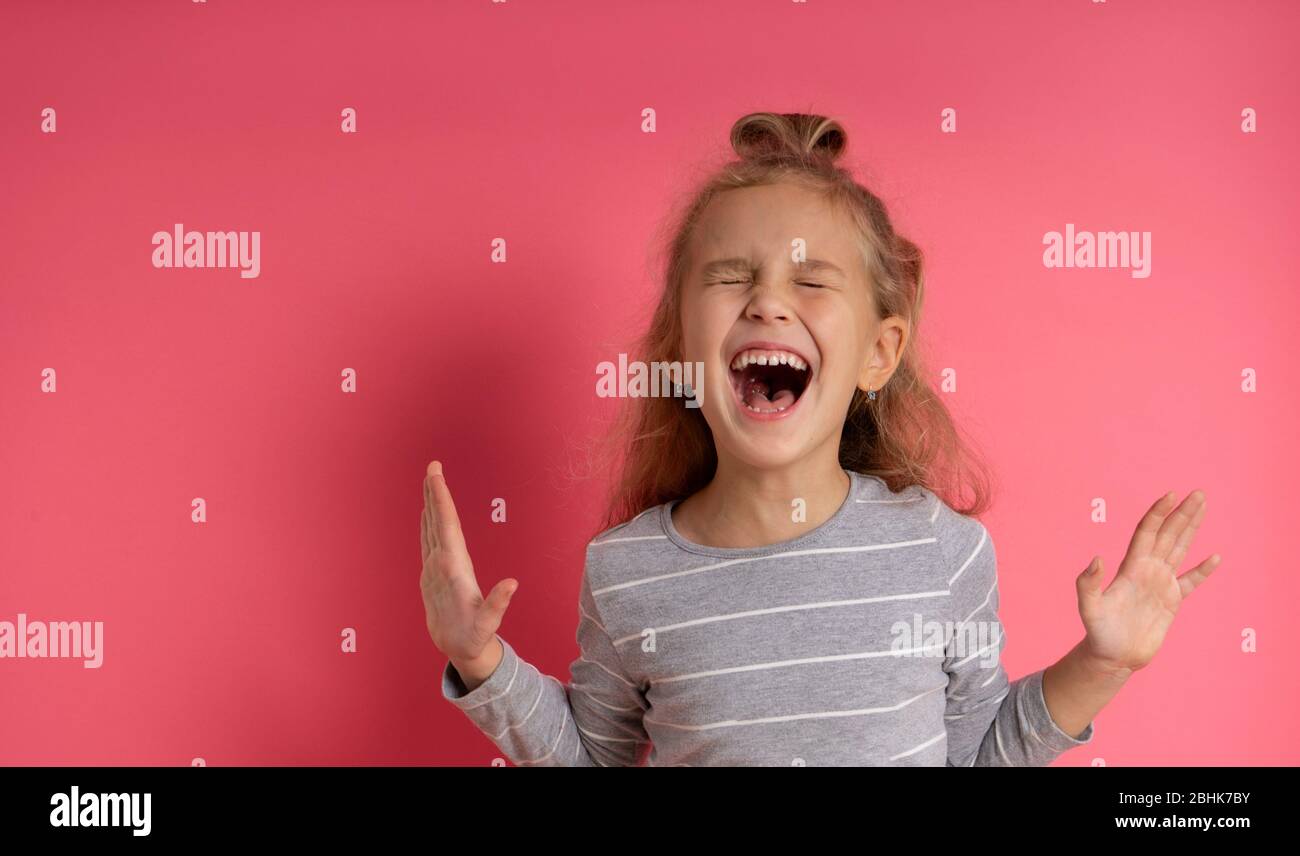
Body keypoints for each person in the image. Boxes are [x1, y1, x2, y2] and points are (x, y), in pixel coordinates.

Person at [420, 112, 1222, 766]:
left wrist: (1102, 663)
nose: (769, 301)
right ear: (682, 353)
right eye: (732, 275)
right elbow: (593, 760)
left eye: (809, 281)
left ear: (879, 352)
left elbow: (979, 754)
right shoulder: (628, 572)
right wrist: (481, 664)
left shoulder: (943, 551)